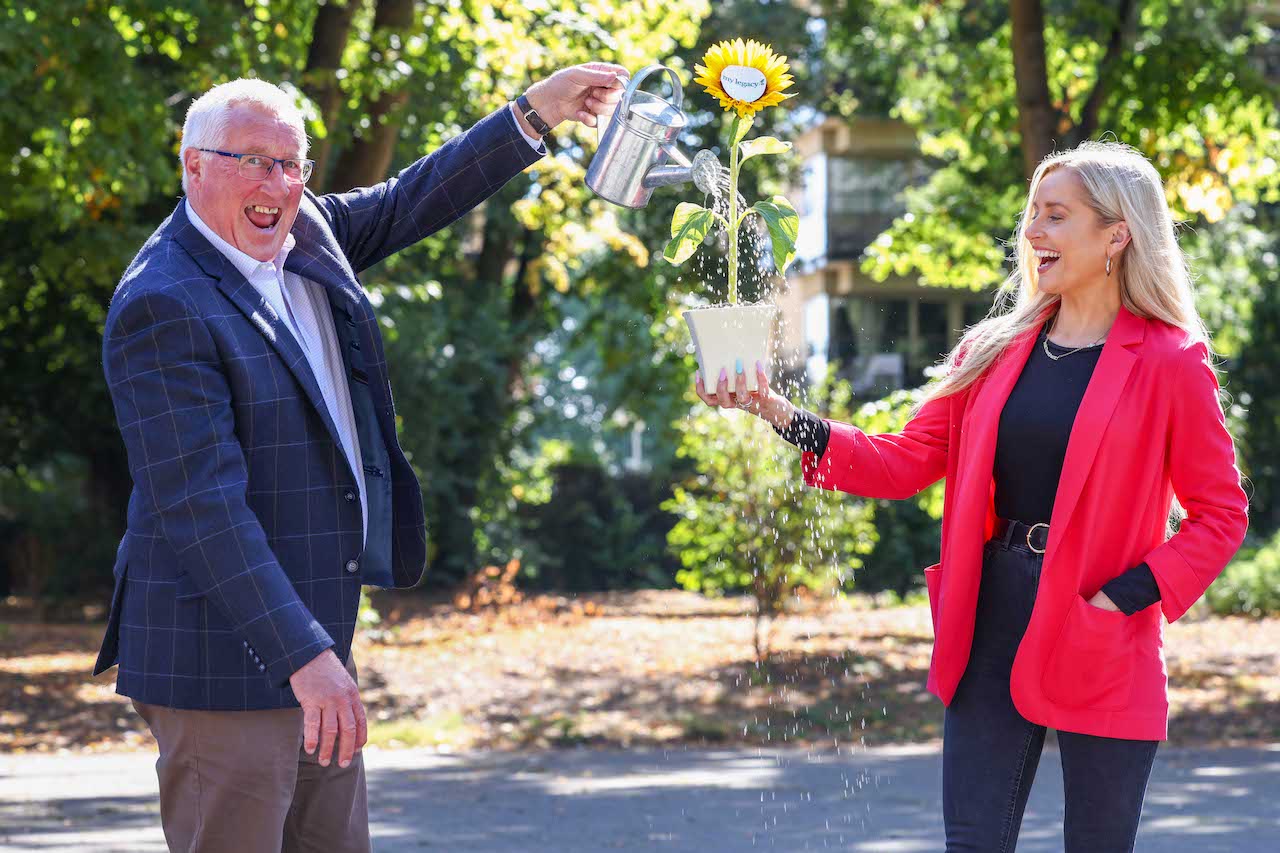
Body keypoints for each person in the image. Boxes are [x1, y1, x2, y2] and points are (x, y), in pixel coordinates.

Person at [93, 66, 626, 852]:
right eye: (254, 160)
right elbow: (202, 510)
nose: (277, 182)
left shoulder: (304, 232)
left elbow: (415, 195)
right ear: (194, 165)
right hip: (223, 662)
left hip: (312, 650)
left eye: (291, 162)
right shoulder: (164, 303)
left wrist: (536, 112)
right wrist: (304, 655)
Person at [697, 141, 1249, 851]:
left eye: (1056, 216)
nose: (1033, 232)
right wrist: (776, 409)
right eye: (1032, 215)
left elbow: (1221, 513)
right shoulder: (990, 350)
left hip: (1103, 622)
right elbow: (900, 463)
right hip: (991, 613)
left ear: (1118, 234)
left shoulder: (1171, 360)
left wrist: (1127, 594)